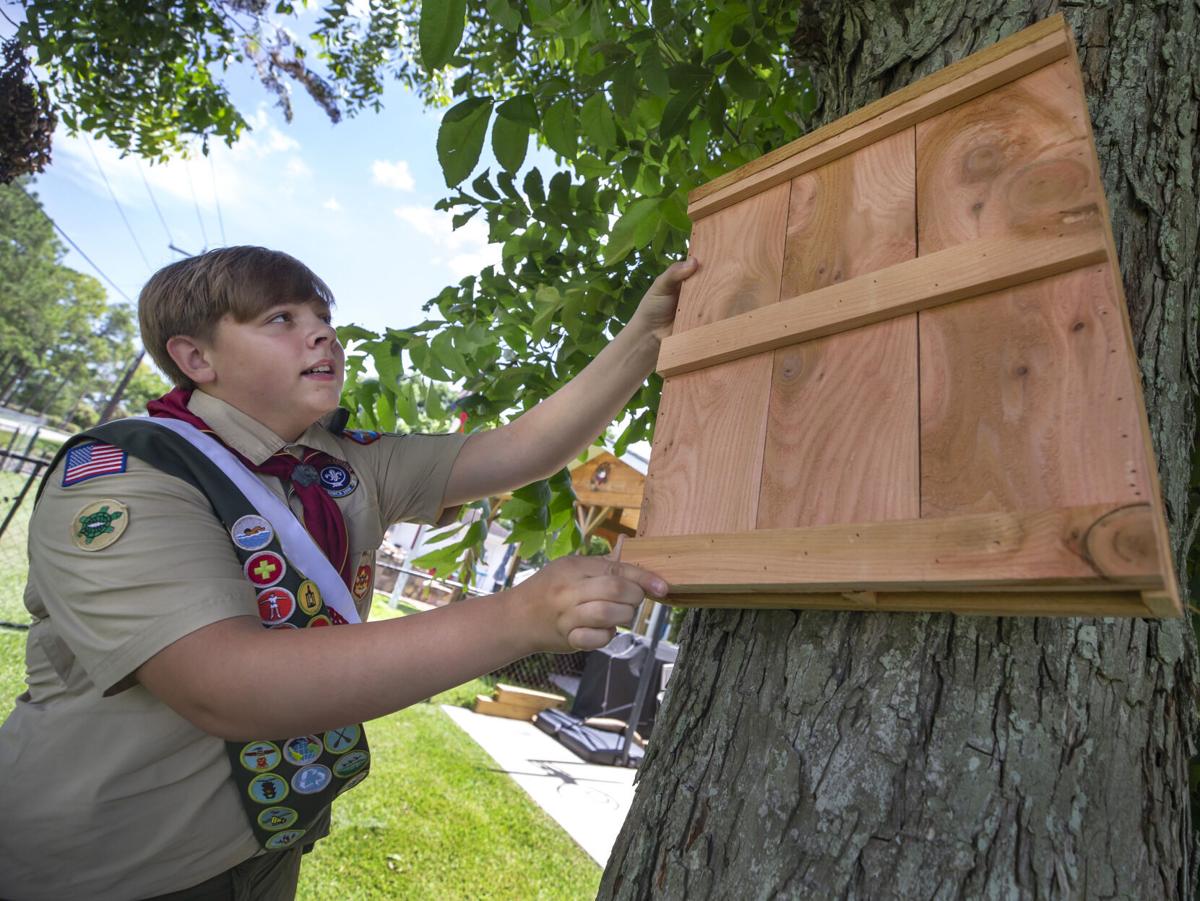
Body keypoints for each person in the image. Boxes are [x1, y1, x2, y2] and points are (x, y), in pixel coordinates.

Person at [0, 246, 699, 900]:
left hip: (262, 842)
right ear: (195, 356)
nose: (323, 336)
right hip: (108, 857)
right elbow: (225, 686)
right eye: (281, 319)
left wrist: (645, 334)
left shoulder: (342, 461)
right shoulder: (128, 473)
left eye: (323, 319)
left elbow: (524, 448)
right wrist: (517, 617)